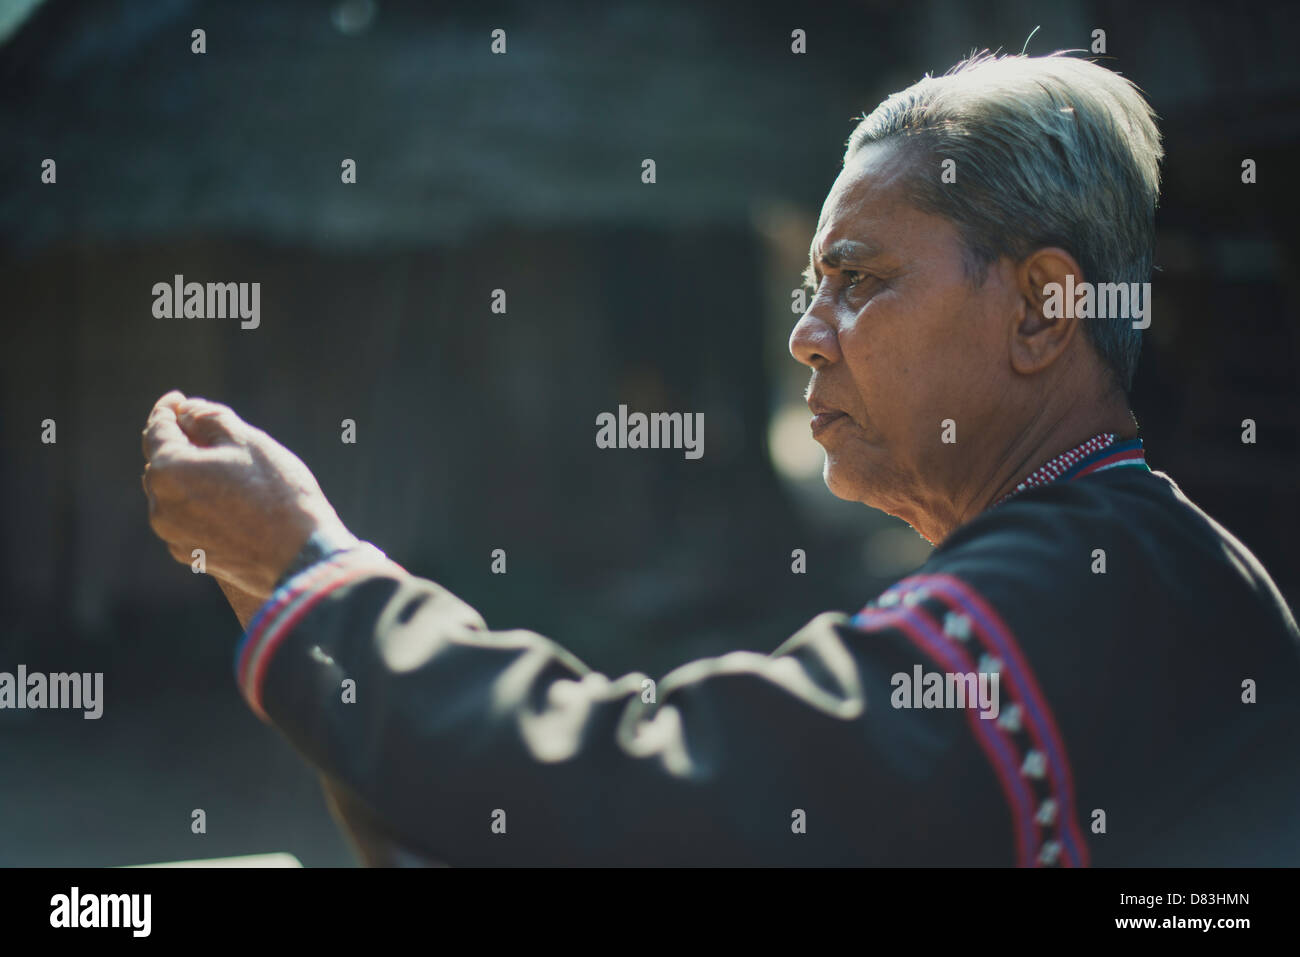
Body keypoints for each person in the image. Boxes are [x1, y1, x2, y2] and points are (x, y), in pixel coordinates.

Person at [141, 51, 1300, 866]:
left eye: (858, 280)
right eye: (809, 288)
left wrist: (315, 579)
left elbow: (655, 803)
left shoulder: (1077, 592)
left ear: (1044, 311)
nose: (806, 331)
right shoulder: (1161, 561)